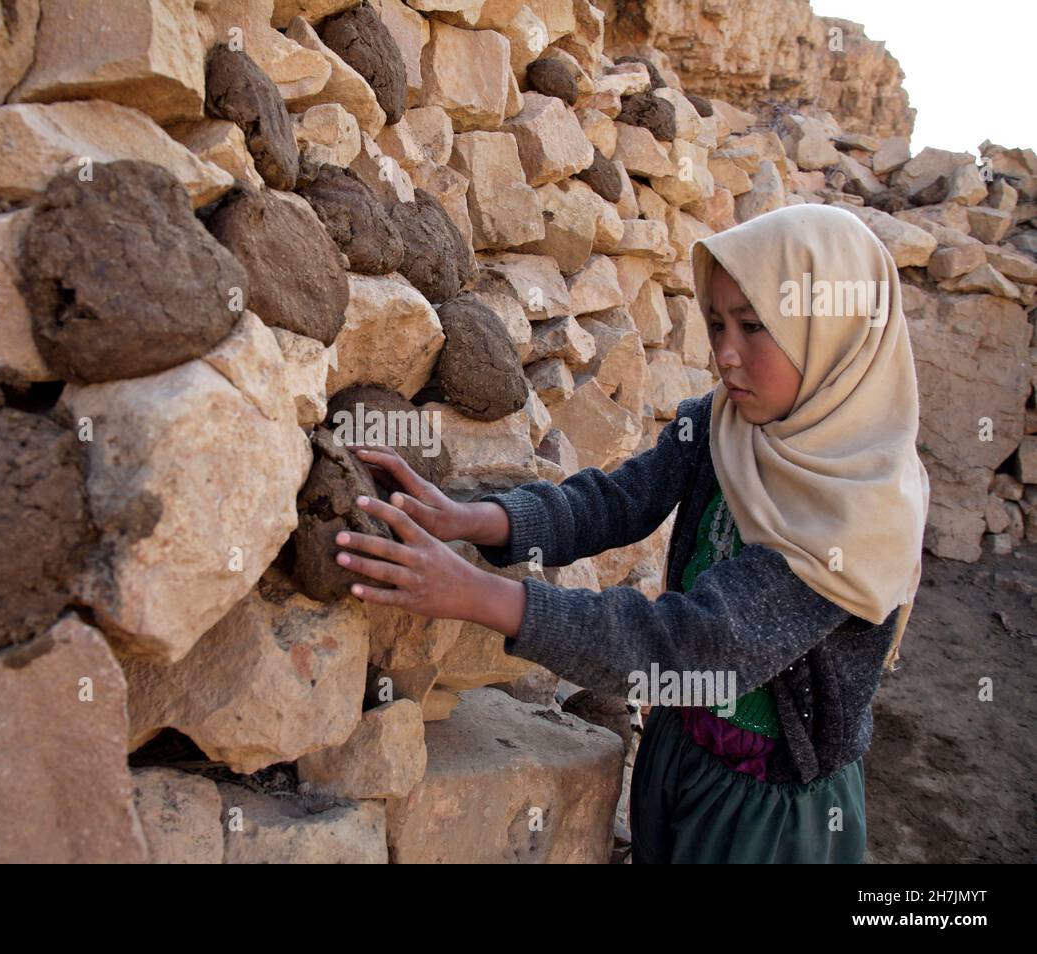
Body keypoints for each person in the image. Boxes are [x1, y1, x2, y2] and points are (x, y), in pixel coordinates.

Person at [331, 202, 931, 863]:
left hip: (768, 813)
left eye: (755, 327)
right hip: (678, 757)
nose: (725, 355)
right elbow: (618, 501)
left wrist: (478, 596)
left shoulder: (861, 517)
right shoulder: (721, 425)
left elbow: (696, 644)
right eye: (716, 323)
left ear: (835, 332)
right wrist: (478, 518)